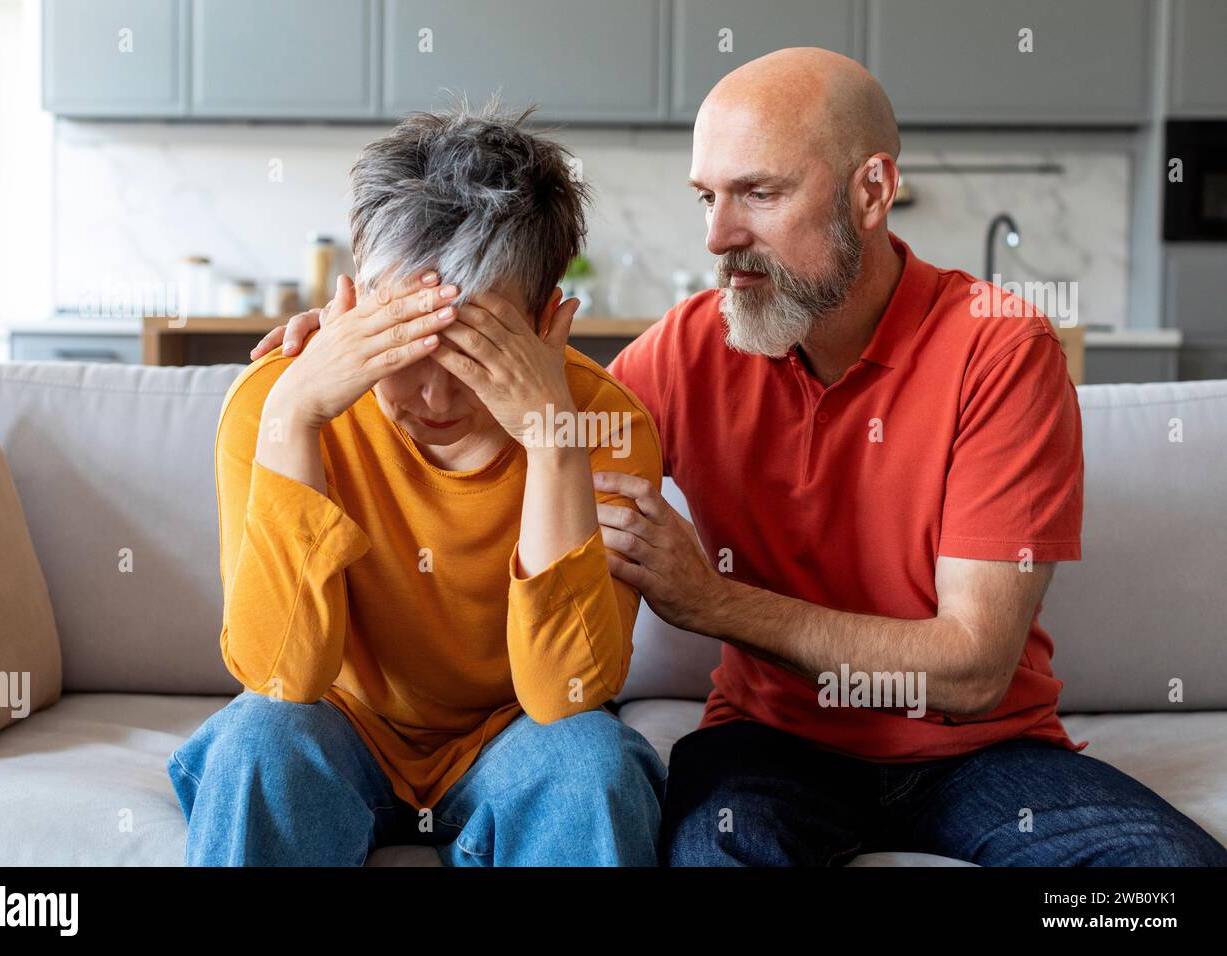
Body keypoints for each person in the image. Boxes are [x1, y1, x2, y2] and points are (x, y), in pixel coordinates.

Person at [257, 50, 1227, 867]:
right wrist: (359, 352)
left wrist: (714, 602)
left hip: (982, 749)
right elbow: (531, 427)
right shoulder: (690, 344)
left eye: (757, 195)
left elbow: (972, 667)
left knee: (1158, 879)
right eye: (707, 198)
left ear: (872, 190)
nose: (718, 238)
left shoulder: (997, 346)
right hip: (772, 744)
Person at [168, 100, 666, 866]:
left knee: (592, 765)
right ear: (354, 303)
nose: (433, 399)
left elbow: (564, 696)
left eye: (475, 353)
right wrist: (296, 415)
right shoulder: (277, 404)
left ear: (547, 323)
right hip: (334, 729)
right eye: (401, 345)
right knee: (258, 741)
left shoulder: (603, 426)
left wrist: (552, 443)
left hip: (514, 738)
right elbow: (279, 674)